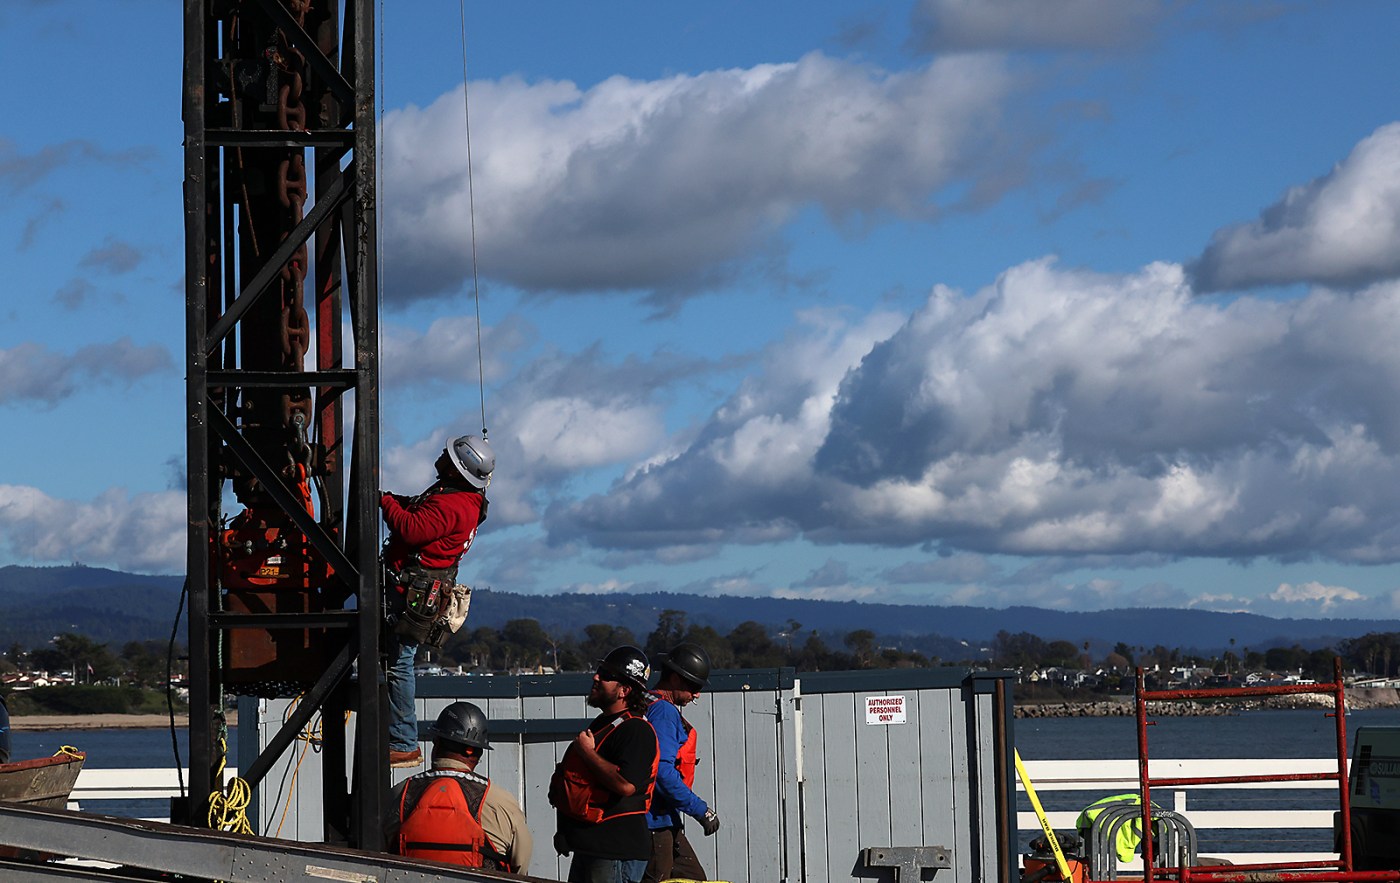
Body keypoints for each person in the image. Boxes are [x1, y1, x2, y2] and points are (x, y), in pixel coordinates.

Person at [381, 433, 493, 768]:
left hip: (409, 595)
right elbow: (418, 510)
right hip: (418, 592)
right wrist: (392, 499)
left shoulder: (452, 504)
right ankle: (399, 738)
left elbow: (412, 529)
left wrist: (383, 502)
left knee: (399, 663)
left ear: (459, 470)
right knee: (394, 661)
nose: (440, 457)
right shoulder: (460, 498)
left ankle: (402, 741)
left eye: (448, 456)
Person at [550, 645, 660, 883]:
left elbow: (626, 785)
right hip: (590, 849)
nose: (596, 677)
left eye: (607, 675)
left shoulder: (636, 730)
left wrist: (588, 754)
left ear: (624, 690)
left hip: (616, 853)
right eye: (600, 670)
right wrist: (565, 832)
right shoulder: (603, 724)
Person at [386, 701, 532, 874]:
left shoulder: (400, 794)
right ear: (477, 753)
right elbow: (521, 867)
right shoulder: (501, 803)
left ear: (437, 744)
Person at [642, 642, 720, 883]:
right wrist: (701, 810)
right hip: (654, 824)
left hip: (663, 821)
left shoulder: (647, 703)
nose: (696, 694)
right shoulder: (664, 712)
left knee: (693, 878)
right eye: (693, 686)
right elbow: (662, 772)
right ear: (675, 679)